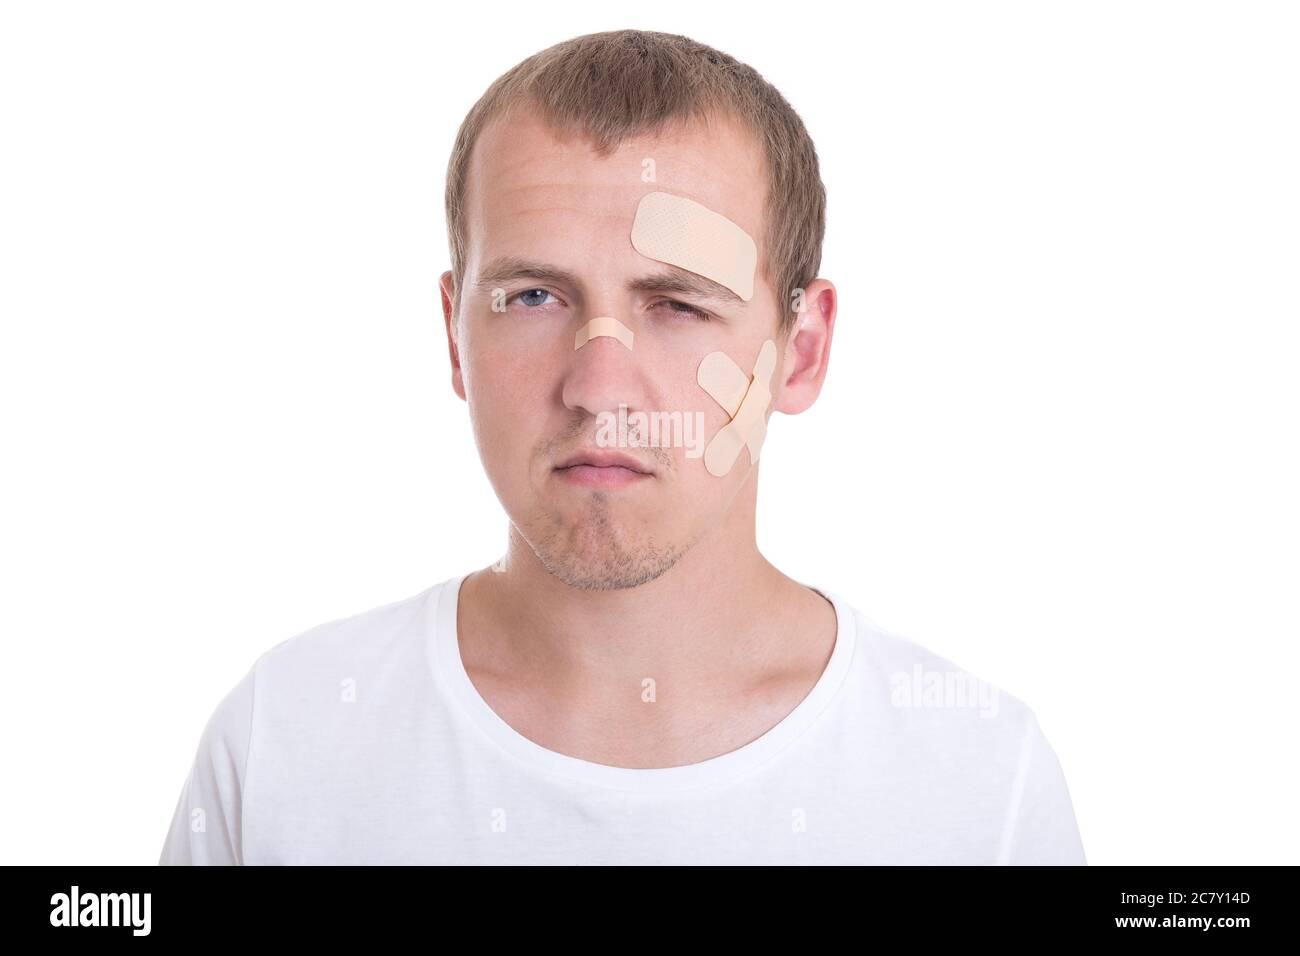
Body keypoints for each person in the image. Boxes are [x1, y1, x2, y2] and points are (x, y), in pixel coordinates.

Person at [160, 29, 1085, 865]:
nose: (599, 388)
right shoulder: (286, 743)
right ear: (453, 336)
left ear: (801, 352)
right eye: (533, 298)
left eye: (677, 304)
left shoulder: (979, 786)